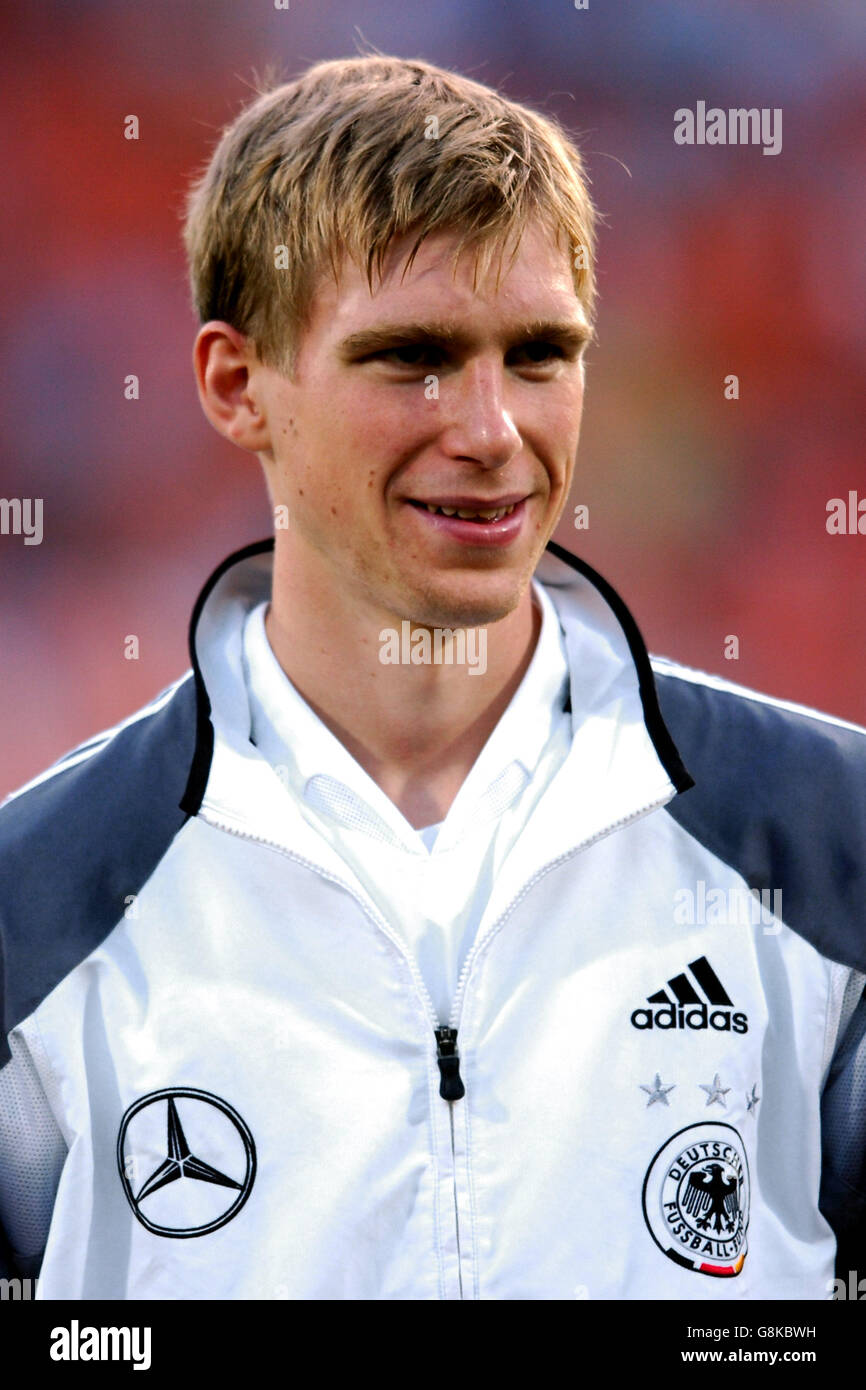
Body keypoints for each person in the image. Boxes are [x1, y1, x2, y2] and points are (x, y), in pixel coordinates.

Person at [0, 53, 864, 1302]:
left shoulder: (829, 842)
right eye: (413, 357)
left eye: (536, 354)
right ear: (237, 385)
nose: (491, 431)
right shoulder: (40, 906)